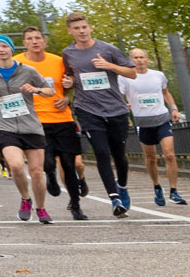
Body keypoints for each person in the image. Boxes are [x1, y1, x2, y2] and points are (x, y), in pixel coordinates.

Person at [58, 12, 140, 215]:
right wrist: (67, 84)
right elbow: (68, 77)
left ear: (90, 28)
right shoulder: (68, 53)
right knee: (102, 153)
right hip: (87, 110)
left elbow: (132, 72)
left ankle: (122, 186)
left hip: (115, 109)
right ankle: (114, 200)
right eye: (76, 28)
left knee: (119, 156)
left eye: (84, 27)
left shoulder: (107, 49)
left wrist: (109, 66)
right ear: (70, 31)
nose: (81, 31)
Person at [0, 35, 54, 223]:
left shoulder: (27, 70)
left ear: (11, 49)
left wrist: (36, 90)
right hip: (6, 127)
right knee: (16, 166)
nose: (1, 50)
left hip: (31, 126)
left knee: (36, 172)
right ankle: (26, 199)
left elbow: (49, 90)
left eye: (5, 46)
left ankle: (41, 208)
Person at [20, 27, 88, 218]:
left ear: (44, 41)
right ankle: (50, 175)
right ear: (25, 43)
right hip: (35, 121)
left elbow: (73, 83)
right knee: (47, 162)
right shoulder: (19, 63)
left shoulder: (58, 61)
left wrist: (68, 98)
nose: (35, 42)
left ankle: (76, 206)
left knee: (68, 163)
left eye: (38, 38)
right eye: (30, 39)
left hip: (62, 117)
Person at [123, 47, 185, 205]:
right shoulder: (125, 78)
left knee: (169, 155)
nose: (139, 60)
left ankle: (174, 191)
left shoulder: (158, 75)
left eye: (142, 57)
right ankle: (157, 187)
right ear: (131, 60)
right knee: (151, 158)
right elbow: (118, 96)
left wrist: (174, 108)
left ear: (147, 59)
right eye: (135, 58)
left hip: (162, 119)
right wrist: (124, 105)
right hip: (143, 123)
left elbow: (165, 93)